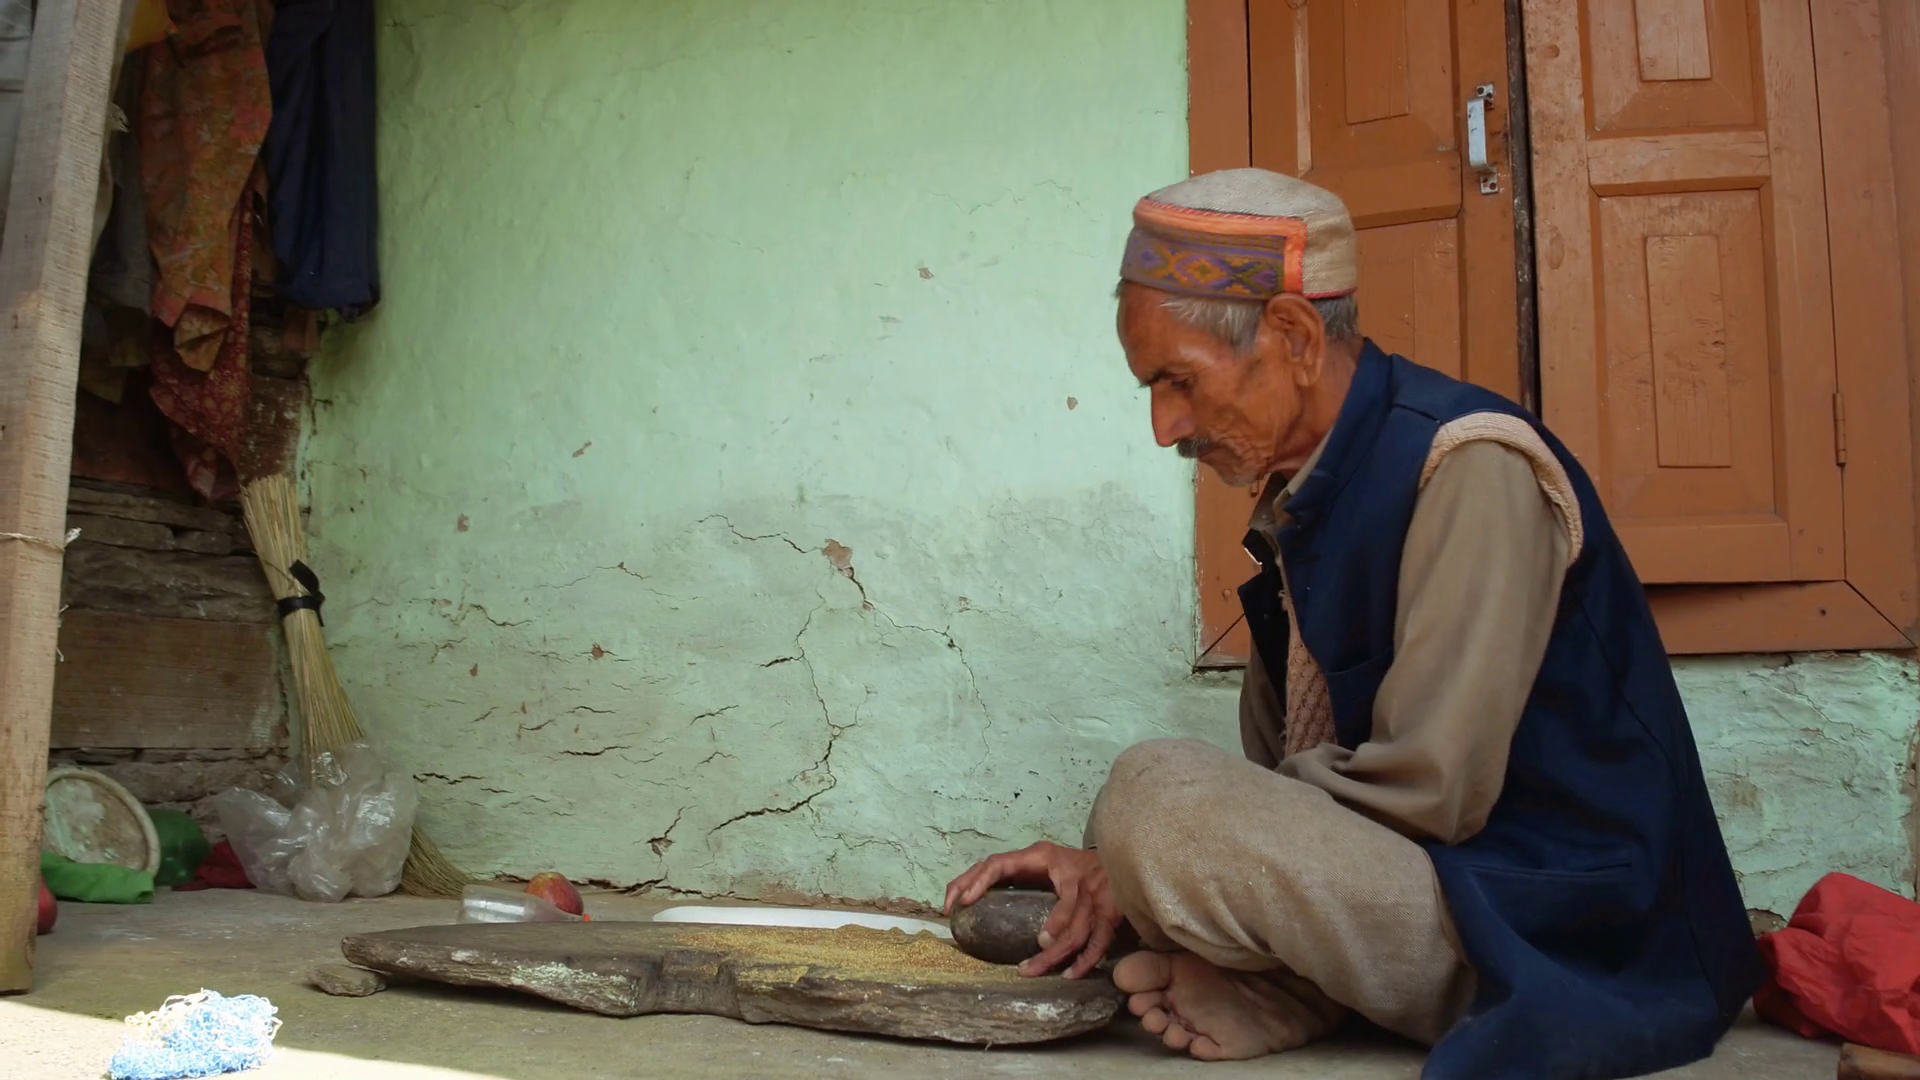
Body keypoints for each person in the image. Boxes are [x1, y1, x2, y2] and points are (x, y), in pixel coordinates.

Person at [943, 168, 1763, 1080]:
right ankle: (1287, 986)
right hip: (1438, 900)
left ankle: (1298, 985)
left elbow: (1429, 789)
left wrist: (1134, 874)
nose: (1164, 426)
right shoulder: (1305, 504)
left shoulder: (1469, 465)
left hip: (1564, 934)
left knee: (1155, 800)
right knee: (1139, 810)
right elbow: (1282, 794)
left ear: (1291, 334)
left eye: (1178, 381)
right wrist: (1110, 869)